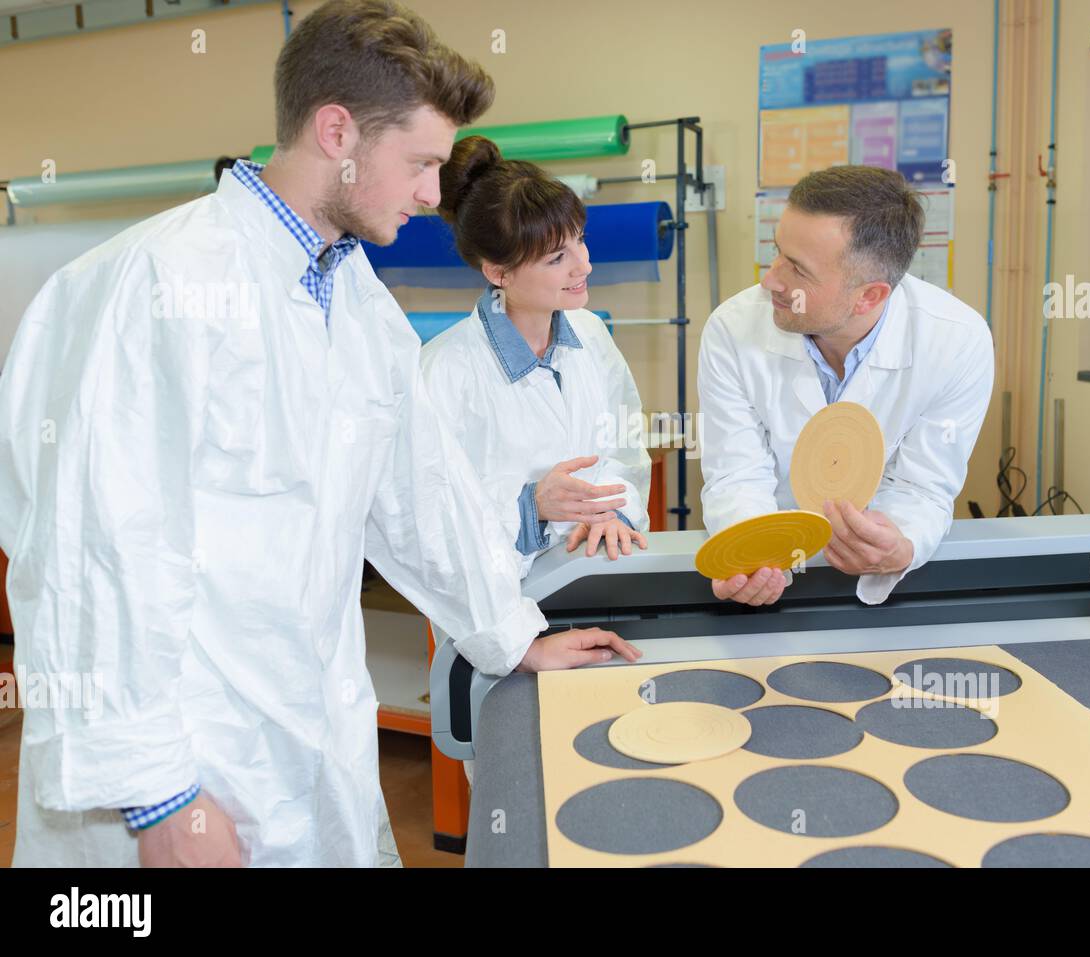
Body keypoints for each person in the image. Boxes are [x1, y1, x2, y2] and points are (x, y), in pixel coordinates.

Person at [0, 0, 636, 869]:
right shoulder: (156, 284)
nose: (430, 193)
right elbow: (91, 552)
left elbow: (422, 500)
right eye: (419, 163)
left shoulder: (362, 307)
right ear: (337, 131)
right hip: (178, 775)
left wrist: (511, 633)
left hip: (309, 739)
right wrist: (158, 797)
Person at [698, 165, 994, 607]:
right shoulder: (732, 328)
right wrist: (751, 555)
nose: (770, 279)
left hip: (880, 592)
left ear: (869, 296)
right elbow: (735, 472)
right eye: (778, 253)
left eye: (797, 269)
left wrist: (900, 543)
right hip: (771, 582)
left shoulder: (957, 340)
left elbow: (924, 486)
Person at [419, 136, 651, 578]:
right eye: (556, 258)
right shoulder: (444, 370)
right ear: (498, 272)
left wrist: (611, 513)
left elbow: (624, 451)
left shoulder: (591, 333)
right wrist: (531, 508)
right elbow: (431, 517)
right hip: (501, 607)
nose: (583, 265)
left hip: (594, 571)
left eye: (580, 241)